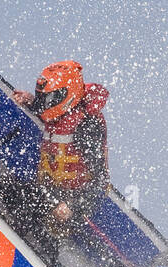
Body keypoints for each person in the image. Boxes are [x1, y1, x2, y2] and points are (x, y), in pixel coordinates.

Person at [11, 61, 111, 238]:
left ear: (68, 96)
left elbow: (100, 181)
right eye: (41, 97)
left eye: (47, 98)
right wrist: (31, 103)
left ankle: (45, 251)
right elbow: (55, 119)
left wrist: (72, 207)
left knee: (30, 217)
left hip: (68, 202)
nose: (44, 104)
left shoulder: (87, 125)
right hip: (47, 189)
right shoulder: (63, 110)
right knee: (7, 187)